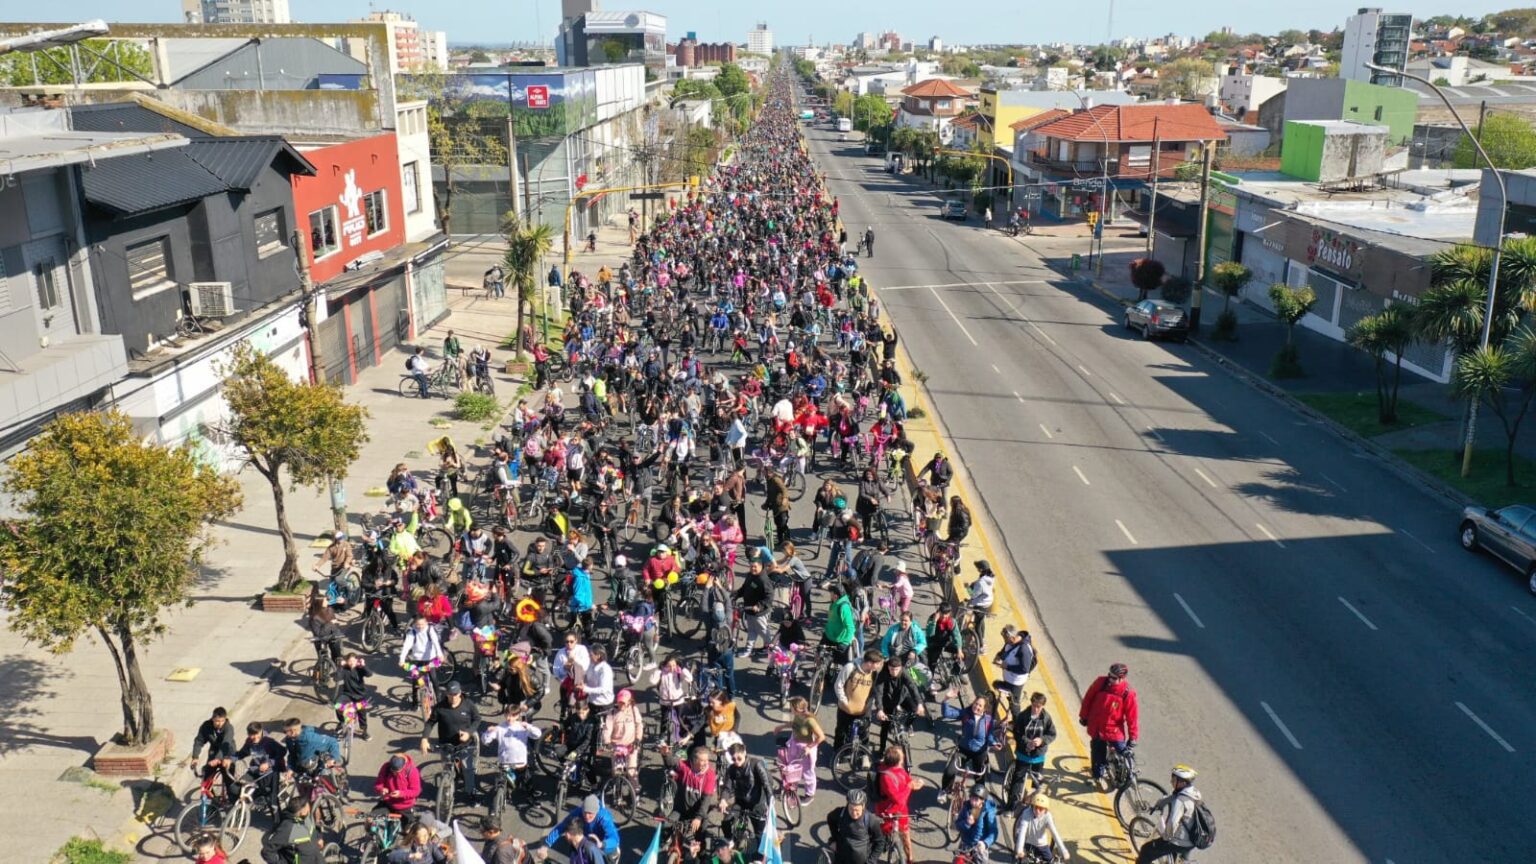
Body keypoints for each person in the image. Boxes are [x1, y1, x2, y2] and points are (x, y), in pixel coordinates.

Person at [1079, 663, 1139, 790]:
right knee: (1097, 752)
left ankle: (1131, 777)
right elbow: (1088, 699)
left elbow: (1132, 717)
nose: (1110, 680)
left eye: (1114, 678)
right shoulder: (1101, 683)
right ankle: (1097, 775)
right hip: (1097, 727)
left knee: (1125, 753)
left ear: (1122, 678)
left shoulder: (1128, 693)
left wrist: (1133, 737)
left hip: (1114, 731)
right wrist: (1083, 716)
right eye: (1109, 676)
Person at [421, 680, 482, 804]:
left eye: (455, 694)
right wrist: (424, 738)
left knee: (468, 770)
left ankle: (471, 791)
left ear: (460, 693)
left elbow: (477, 719)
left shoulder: (468, 704)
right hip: (446, 745)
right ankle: (448, 791)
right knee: (447, 770)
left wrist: (469, 732)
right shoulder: (439, 708)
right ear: (446, 694)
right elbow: (430, 723)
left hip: (464, 745)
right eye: (450, 694)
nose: (453, 697)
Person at [940, 696, 1001, 802]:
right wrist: (945, 699)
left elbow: (990, 736)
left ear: (984, 709)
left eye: (980, 705)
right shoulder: (966, 714)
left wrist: (994, 743)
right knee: (950, 771)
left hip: (979, 753)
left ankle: (981, 801)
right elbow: (947, 713)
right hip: (963, 750)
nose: (976, 706)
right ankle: (945, 790)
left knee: (980, 779)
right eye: (976, 703)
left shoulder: (988, 720)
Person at [874, 745, 924, 864]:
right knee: (878, 837)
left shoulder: (899, 770)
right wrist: (909, 786)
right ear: (896, 761)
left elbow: (909, 781)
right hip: (888, 811)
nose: (904, 757)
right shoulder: (886, 777)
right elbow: (899, 799)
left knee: (906, 836)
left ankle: (910, 859)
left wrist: (916, 784)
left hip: (901, 810)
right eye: (902, 756)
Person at [1008, 693, 1057, 809]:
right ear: (1031, 703)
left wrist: (1042, 740)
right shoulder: (1023, 716)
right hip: (1023, 754)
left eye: (1038, 707)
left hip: (1038, 756)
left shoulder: (1046, 718)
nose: (1036, 709)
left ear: (1043, 707)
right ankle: (1011, 806)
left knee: (1037, 783)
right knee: (1017, 781)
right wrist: (1027, 742)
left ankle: (1033, 805)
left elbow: (1052, 734)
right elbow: (1017, 733)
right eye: (1034, 705)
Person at [871, 652, 924, 756]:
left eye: (896, 670)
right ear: (888, 667)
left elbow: (912, 687)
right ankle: (881, 749)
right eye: (891, 669)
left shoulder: (904, 672)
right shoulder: (882, 674)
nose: (894, 672)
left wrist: (919, 703)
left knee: (914, 711)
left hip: (902, 696)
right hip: (888, 700)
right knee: (885, 726)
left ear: (900, 668)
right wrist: (880, 709)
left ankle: (905, 727)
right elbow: (878, 692)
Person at [772, 695, 825, 796]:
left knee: (807, 773)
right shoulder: (797, 716)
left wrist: (809, 747)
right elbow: (793, 724)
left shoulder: (809, 721)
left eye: (791, 707)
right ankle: (792, 789)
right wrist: (781, 727)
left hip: (805, 750)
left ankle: (809, 794)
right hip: (795, 745)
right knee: (792, 768)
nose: (790, 709)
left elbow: (821, 737)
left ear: (796, 708)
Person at [544, 794, 620, 862]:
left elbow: (615, 839)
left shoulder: (604, 817)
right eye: (585, 812)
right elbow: (562, 826)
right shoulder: (578, 812)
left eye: (590, 813)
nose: (587, 816)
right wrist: (547, 844)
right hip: (588, 843)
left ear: (596, 812)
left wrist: (601, 844)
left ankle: (613, 856)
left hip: (604, 846)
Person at [482, 704, 542, 789]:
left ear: (518, 715)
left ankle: (530, 794)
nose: (510, 718)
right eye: (508, 715)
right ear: (505, 714)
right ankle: (502, 795)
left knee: (526, 783)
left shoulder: (522, 726)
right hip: (505, 762)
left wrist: (528, 726)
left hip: (520, 762)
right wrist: (487, 732)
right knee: (503, 783)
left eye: (513, 715)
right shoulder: (500, 727)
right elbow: (485, 741)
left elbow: (538, 734)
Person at [719, 742, 772, 836]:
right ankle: (730, 843)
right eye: (733, 759)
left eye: (739, 758)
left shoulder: (756, 764)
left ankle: (760, 851)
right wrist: (723, 799)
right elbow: (727, 787)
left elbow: (767, 785)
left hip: (757, 804)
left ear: (744, 753)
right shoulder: (732, 769)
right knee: (725, 823)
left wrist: (770, 805)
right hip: (741, 802)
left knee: (759, 834)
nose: (737, 762)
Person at [833, 649, 880, 752]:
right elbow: (838, 685)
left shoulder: (874, 673)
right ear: (869, 663)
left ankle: (864, 755)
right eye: (877, 664)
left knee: (864, 733)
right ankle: (837, 753)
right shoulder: (850, 667)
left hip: (863, 710)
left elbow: (875, 691)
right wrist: (845, 701)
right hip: (845, 709)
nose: (879, 666)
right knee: (841, 732)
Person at [399, 614, 446, 708]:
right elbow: (406, 646)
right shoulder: (412, 632)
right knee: (415, 680)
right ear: (415, 624)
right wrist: (402, 659)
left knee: (434, 679)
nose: (420, 627)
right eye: (418, 625)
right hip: (418, 659)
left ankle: (439, 702)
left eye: (422, 624)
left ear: (426, 623)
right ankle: (415, 701)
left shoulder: (430, 630)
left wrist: (440, 655)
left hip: (430, 659)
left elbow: (436, 642)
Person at [260, 798, 324, 864]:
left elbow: (313, 827)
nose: (309, 809)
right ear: (302, 812)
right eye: (308, 807)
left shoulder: (306, 818)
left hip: (317, 859)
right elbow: (267, 851)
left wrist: (319, 837)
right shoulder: (286, 829)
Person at [827, 789, 880, 864]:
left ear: (863, 806)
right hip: (841, 857)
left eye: (857, 810)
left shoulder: (871, 820)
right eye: (851, 809)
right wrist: (834, 840)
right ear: (847, 804)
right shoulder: (840, 813)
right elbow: (830, 819)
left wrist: (871, 861)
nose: (854, 813)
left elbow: (880, 842)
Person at [1012, 794, 1070, 862]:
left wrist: (1063, 851)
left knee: (1050, 860)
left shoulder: (1048, 816)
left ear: (1046, 810)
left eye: (1041, 809)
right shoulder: (1026, 813)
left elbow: (1055, 833)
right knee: (1019, 860)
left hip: (1042, 845)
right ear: (1032, 806)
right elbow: (1022, 831)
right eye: (1036, 807)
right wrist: (1019, 849)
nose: (1037, 811)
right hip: (1028, 843)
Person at [188, 706, 237, 786]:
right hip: (214, 751)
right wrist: (195, 757)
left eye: (222, 721)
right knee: (207, 779)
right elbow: (199, 741)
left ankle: (232, 796)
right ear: (212, 718)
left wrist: (218, 759)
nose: (220, 724)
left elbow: (226, 743)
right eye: (217, 721)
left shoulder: (228, 728)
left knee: (229, 783)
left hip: (227, 753)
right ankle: (210, 797)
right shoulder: (206, 726)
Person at [994, 625, 1037, 710]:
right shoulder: (1011, 642)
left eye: (1006, 639)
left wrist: (1007, 667)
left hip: (1016, 682)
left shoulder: (1024, 649)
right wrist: (999, 655)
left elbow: (1024, 669)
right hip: (1009, 678)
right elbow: (1006, 650)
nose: (1005, 641)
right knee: (997, 685)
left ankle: (1016, 721)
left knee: (1014, 705)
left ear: (1012, 638)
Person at [334, 653, 373, 741]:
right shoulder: (344, 669)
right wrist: (340, 667)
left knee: (362, 714)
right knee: (337, 705)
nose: (351, 663)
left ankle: (364, 731)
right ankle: (342, 722)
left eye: (353, 661)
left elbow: (369, 674)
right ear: (347, 662)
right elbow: (336, 678)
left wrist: (363, 666)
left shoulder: (360, 669)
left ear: (356, 661)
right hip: (347, 695)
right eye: (349, 661)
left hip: (360, 696)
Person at [953, 787, 999, 857]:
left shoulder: (988, 811)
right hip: (966, 843)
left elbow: (993, 831)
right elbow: (957, 825)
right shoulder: (966, 807)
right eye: (972, 798)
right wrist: (966, 823)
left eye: (976, 800)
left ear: (982, 800)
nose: (973, 802)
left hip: (980, 846)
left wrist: (985, 843)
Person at [824, 582, 857, 663]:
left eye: (831, 593)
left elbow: (850, 627)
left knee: (839, 666)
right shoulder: (834, 602)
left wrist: (845, 643)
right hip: (829, 635)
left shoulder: (844, 608)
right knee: (819, 655)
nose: (830, 595)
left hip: (840, 641)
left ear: (835, 596)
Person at [385, 822, 449, 864]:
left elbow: (440, 859)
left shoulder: (430, 845)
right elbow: (391, 856)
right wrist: (410, 856)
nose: (426, 838)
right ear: (414, 837)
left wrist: (446, 859)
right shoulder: (408, 846)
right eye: (423, 836)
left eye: (427, 835)